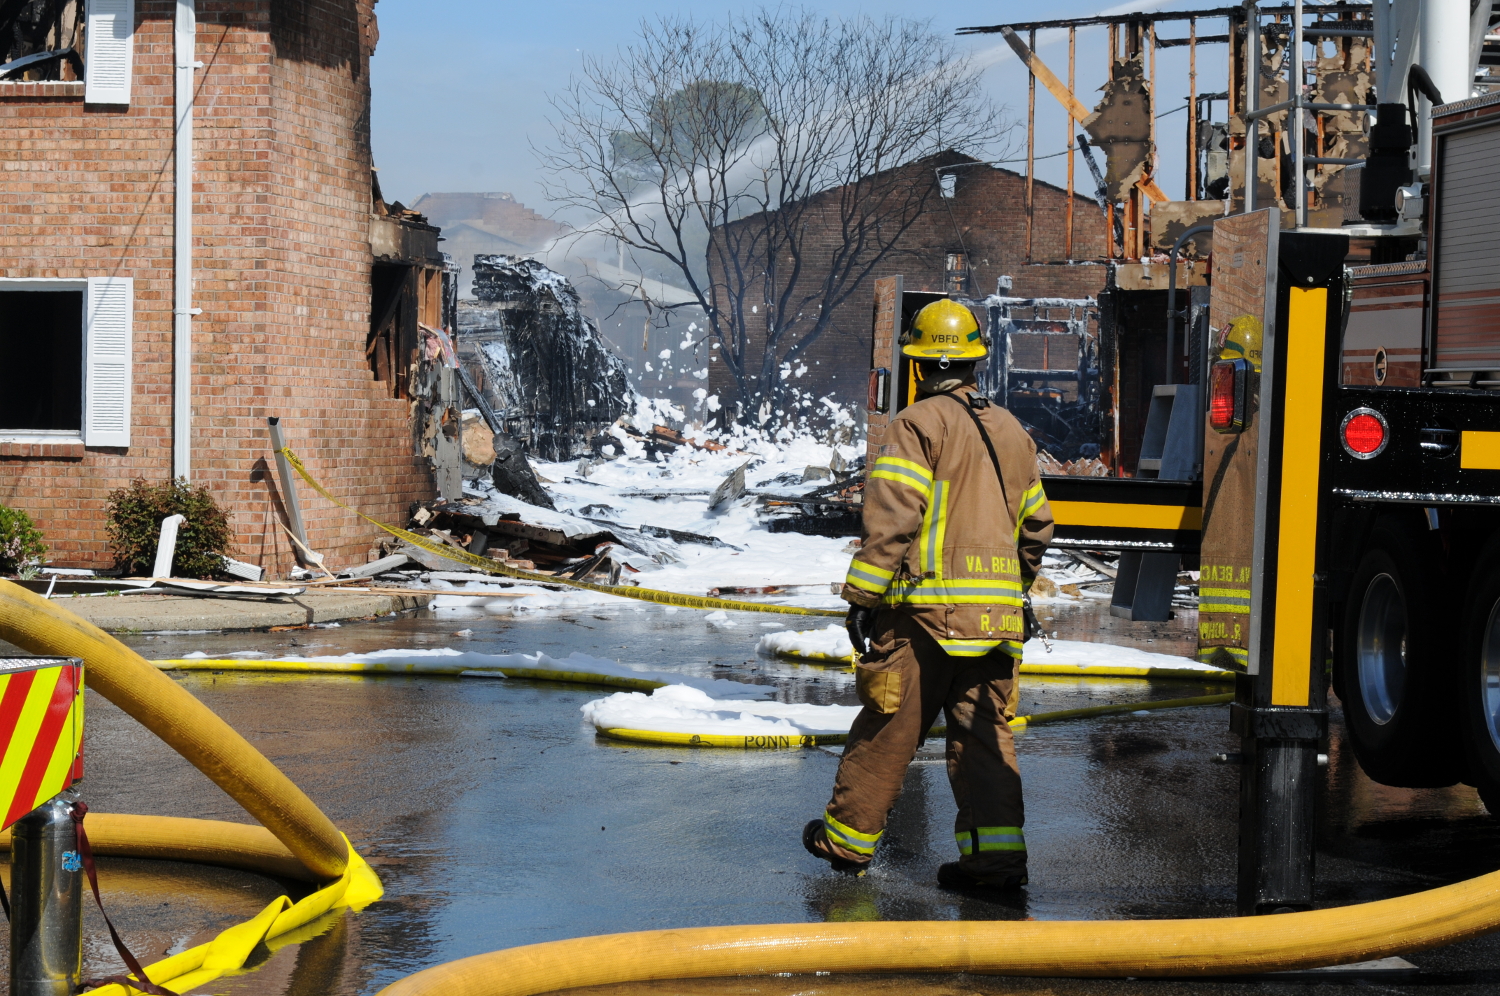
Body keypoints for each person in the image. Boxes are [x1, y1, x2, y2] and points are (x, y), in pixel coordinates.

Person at [802, 297, 1053, 891]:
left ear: (918, 365)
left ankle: (846, 843)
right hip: (995, 621)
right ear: (974, 364)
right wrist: (1010, 589)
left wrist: (862, 598)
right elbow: (1038, 524)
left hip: (924, 620)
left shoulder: (915, 425)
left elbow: (893, 520)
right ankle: (995, 864)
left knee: (889, 729)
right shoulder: (1013, 431)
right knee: (985, 742)